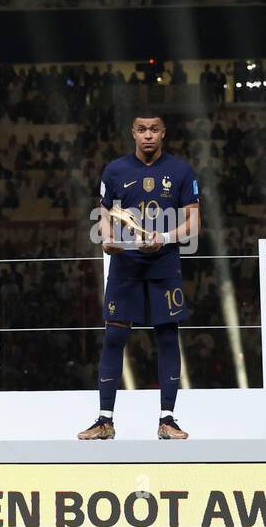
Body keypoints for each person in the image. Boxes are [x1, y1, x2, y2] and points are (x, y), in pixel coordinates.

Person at [77, 113, 201, 441]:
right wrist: (106, 238)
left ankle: (167, 420)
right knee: (114, 338)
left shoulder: (181, 171)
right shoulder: (115, 170)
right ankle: (104, 420)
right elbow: (104, 213)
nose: (148, 135)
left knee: (166, 338)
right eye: (142, 130)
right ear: (133, 132)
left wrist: (165, 237)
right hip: (126, 266)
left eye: (154, 130)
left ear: (164, 133)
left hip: (164, 266)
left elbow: (194, 223)